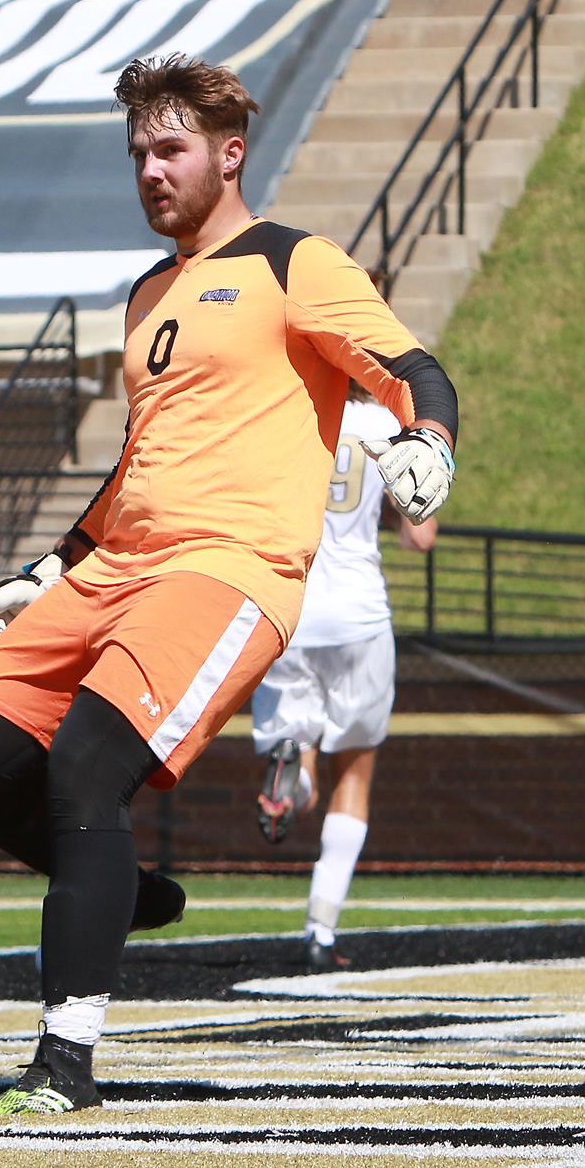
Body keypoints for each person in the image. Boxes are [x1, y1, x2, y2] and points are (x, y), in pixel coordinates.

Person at [0, 54, 458, 1115]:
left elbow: (408, 364)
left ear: (227, 153)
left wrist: (429, 437)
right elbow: (138, 461)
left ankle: (62, 1065)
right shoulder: (147, 293)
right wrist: (54, 563)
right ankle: (130, 891)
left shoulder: (293, 260)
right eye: (137, 154)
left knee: (83, 770)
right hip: (115, 565)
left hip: (228, 568)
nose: (150, 170)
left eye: (170, 150)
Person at [252, 384, 437, 971]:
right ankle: (320, 930)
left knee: (302, 750)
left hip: (290, 610)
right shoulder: (389, 421)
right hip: (359, 616)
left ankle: (295, 779)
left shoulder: (285, 406)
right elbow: (419, 536)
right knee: (354, 774)